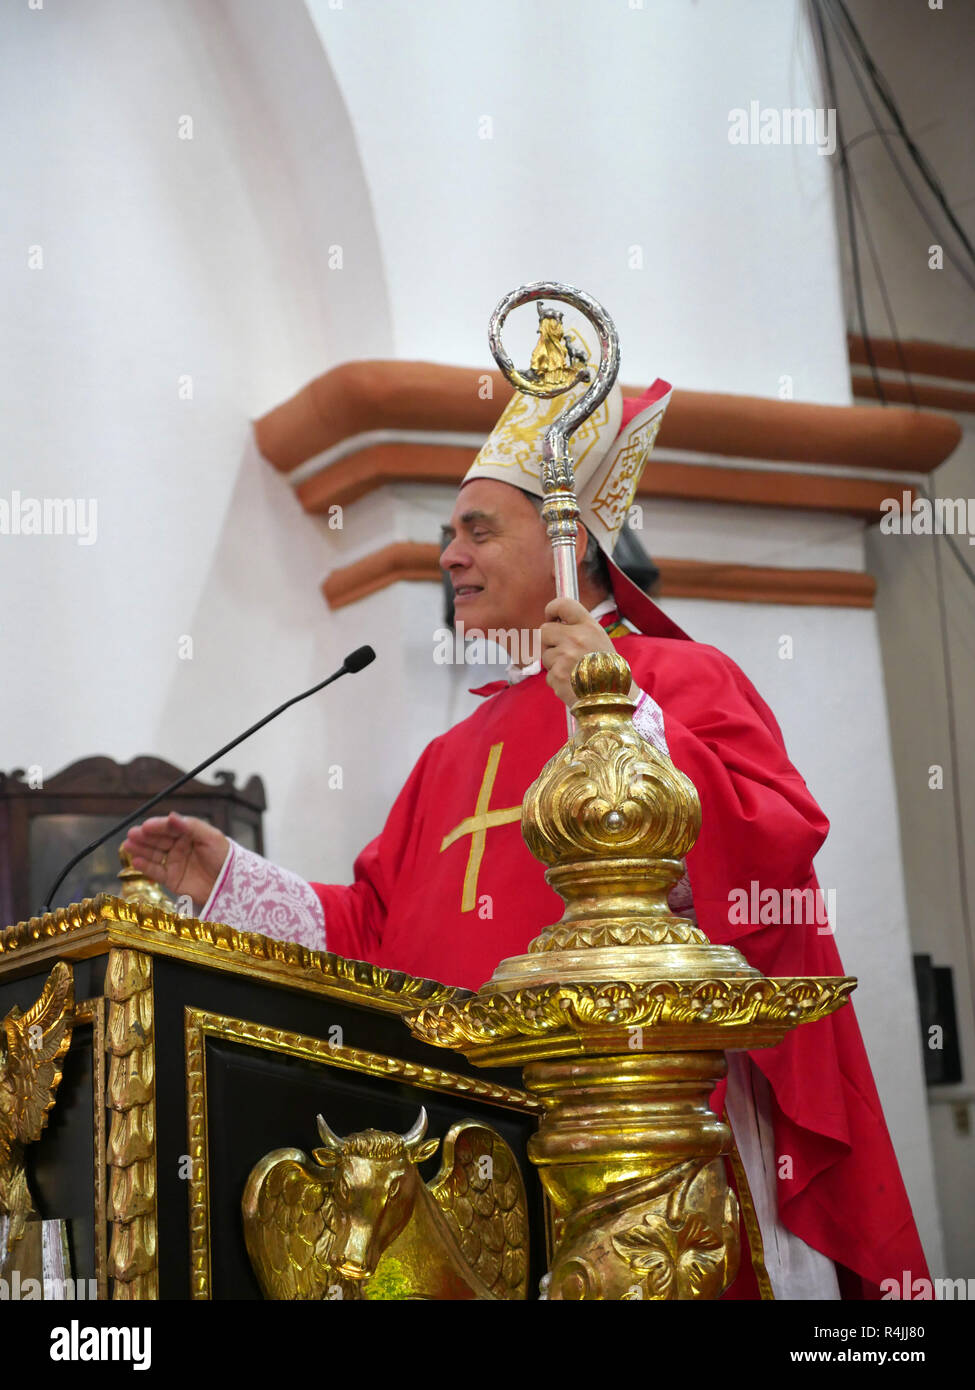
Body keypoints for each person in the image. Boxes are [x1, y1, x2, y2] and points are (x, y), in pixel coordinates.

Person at [124, 357, 929, 1302]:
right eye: (445, 536)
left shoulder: (679, 680)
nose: (449, 556)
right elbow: (376, 937)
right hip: (470, 1158)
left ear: (569, 549)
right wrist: (233, 881)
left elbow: (772, 855)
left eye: (476, 531)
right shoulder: (448, 755)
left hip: (641, 1131)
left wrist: (616, 710)